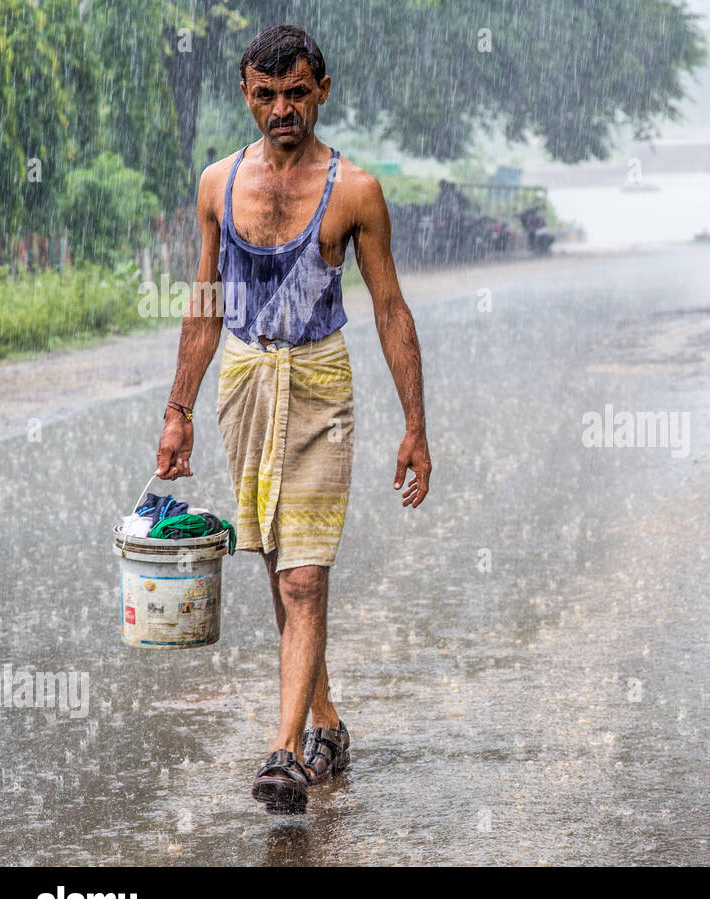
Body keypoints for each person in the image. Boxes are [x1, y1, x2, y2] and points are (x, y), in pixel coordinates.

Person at [154, 24, 432, 813]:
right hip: (244, 379)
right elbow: (204, 308)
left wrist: (415, 425)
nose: (283, 109)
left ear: (323, 92)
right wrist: (178, 410)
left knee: (306, 576)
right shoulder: (217, 184)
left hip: (317, 380)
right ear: (246, 94)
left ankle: (283, 756)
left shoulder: (355, 191)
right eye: (267, 95)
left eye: (298, 93)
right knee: (278, 563)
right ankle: (326, 724)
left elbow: (389, 309)